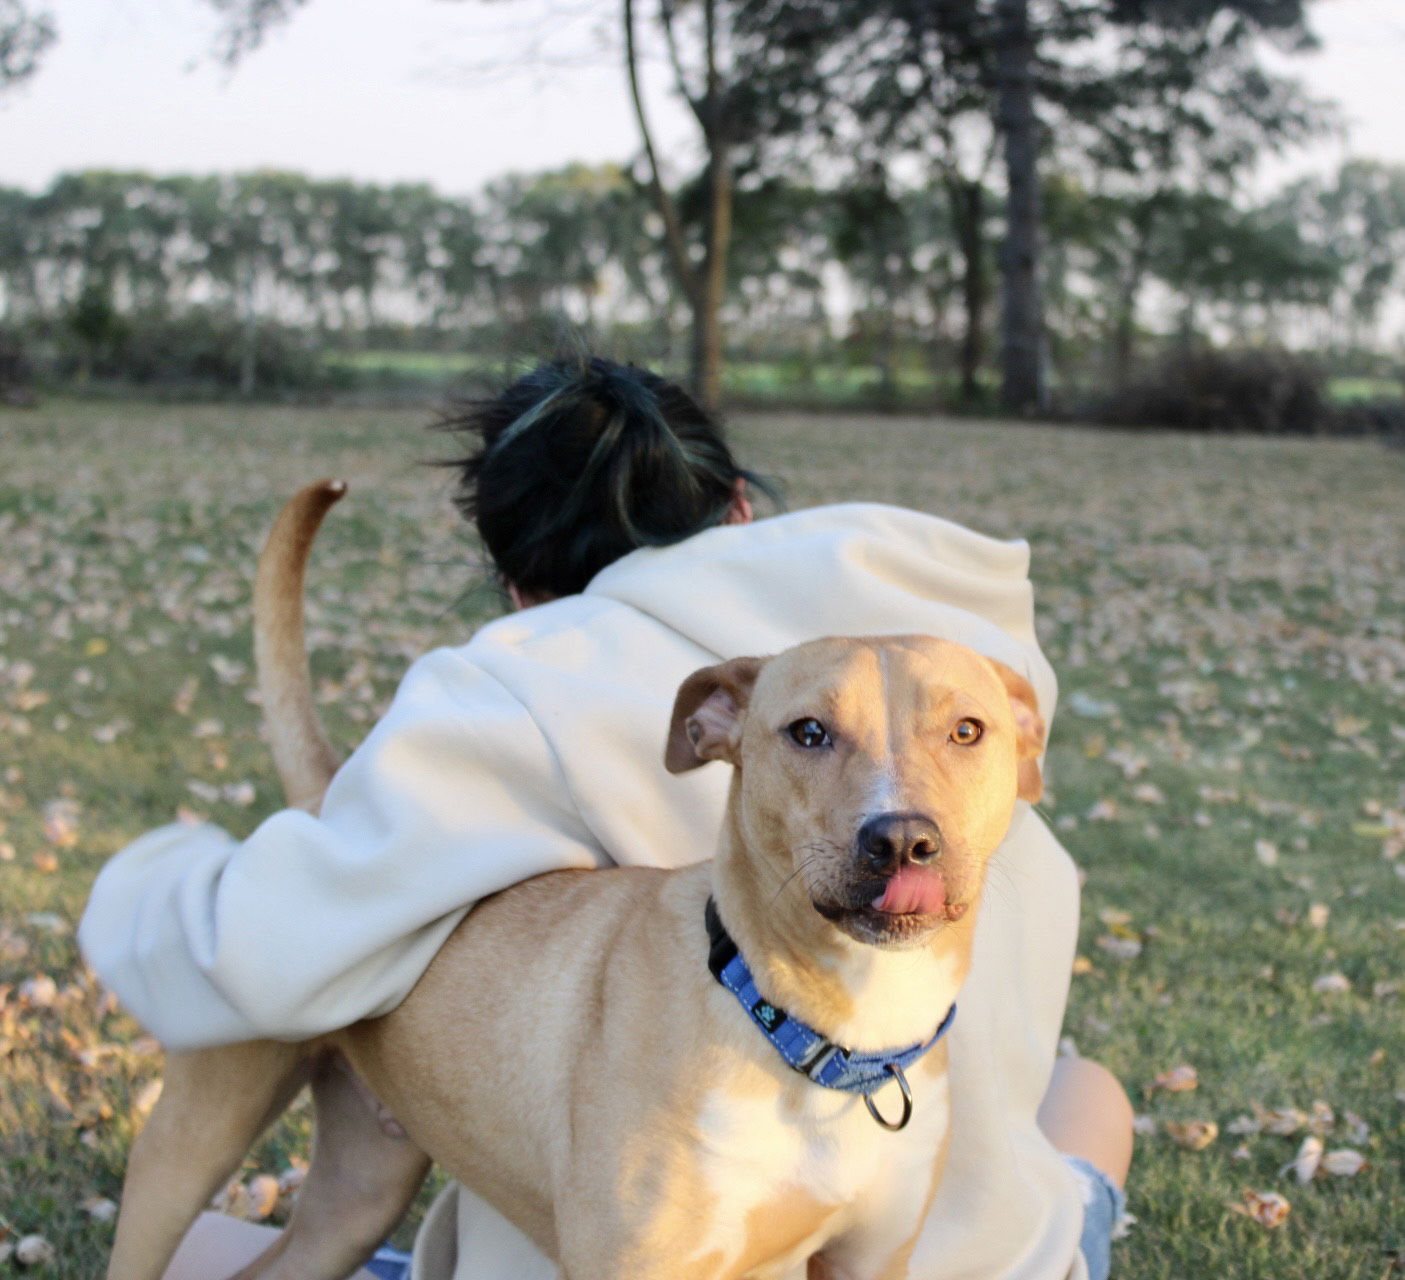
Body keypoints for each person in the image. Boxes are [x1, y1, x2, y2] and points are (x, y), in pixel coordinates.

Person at [80, 356, 1133, 1280]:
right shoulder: (958, 646)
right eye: (815, 737)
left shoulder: (525, 685)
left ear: (515, 587)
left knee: (211, 1248)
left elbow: (269, 933)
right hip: (1012, 1236)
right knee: (1086, 1088)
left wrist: (153, 878)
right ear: (736, 509)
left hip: (778, 1137)